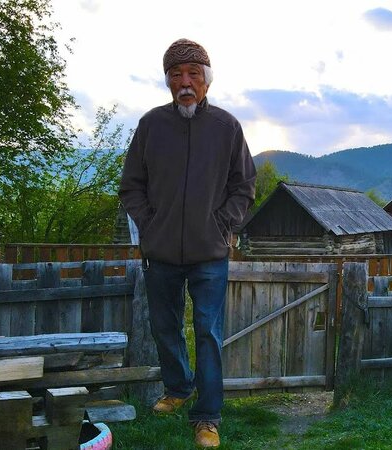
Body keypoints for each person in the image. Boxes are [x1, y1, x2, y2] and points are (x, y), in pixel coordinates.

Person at [119, 38, 256, 448]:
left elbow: (244, 187)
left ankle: (207, 417)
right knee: (165, 326)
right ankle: (178, 388)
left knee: (208, 332)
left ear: (207, 80)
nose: (185, 82)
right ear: (167, 81)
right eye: (176, 74)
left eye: (193, 74)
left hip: (209, 254)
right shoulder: (151, 125)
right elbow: (131, 185)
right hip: (160, 253)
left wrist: (221, 225)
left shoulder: (227, 127)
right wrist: (151, 224)